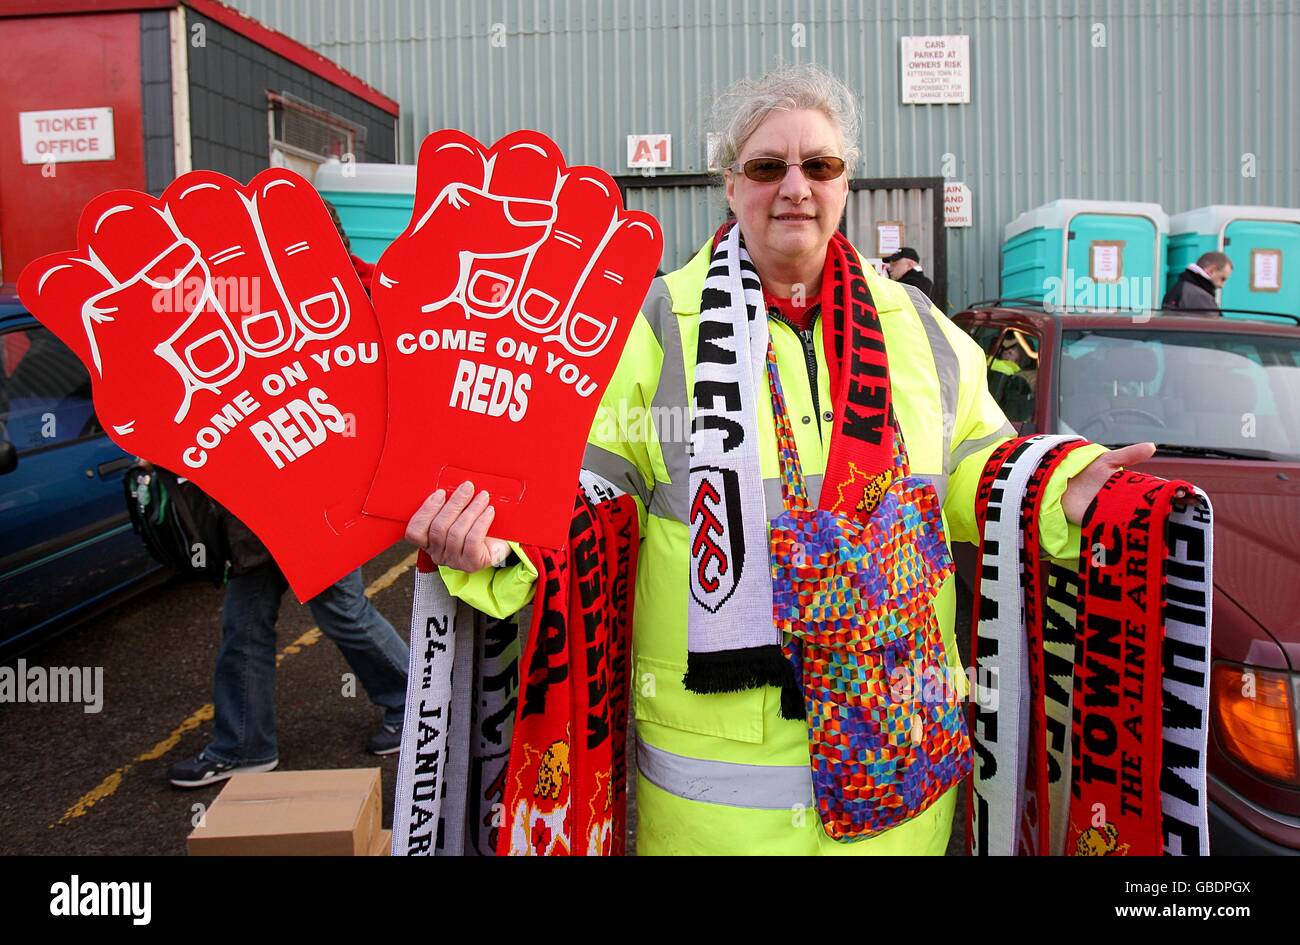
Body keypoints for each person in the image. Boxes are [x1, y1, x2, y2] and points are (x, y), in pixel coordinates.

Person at [406, 65, 1155, 854]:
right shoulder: (656, 325)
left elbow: (981, 463)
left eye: (819, 166)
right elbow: (580, 494)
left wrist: (1062, 486)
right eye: (767, 167)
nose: (794, 186)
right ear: (731, 186)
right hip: (717, 805)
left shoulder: (921, 326)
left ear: (845, 185)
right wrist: (494, 544)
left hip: (899, 788)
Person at [167, 211, 409, 789]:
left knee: (337, 607)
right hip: (265, 499)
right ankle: (247, 744)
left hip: (317, 496)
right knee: (255, 619)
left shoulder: (353, 297)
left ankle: (412, 702)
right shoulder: (269, 297)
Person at [1161, 250, 1232, 313]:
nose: (1222, 286)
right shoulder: (1199, 296)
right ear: (1211, 270)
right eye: (1222, 279)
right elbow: (1214, 326)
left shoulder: (1180, 288)